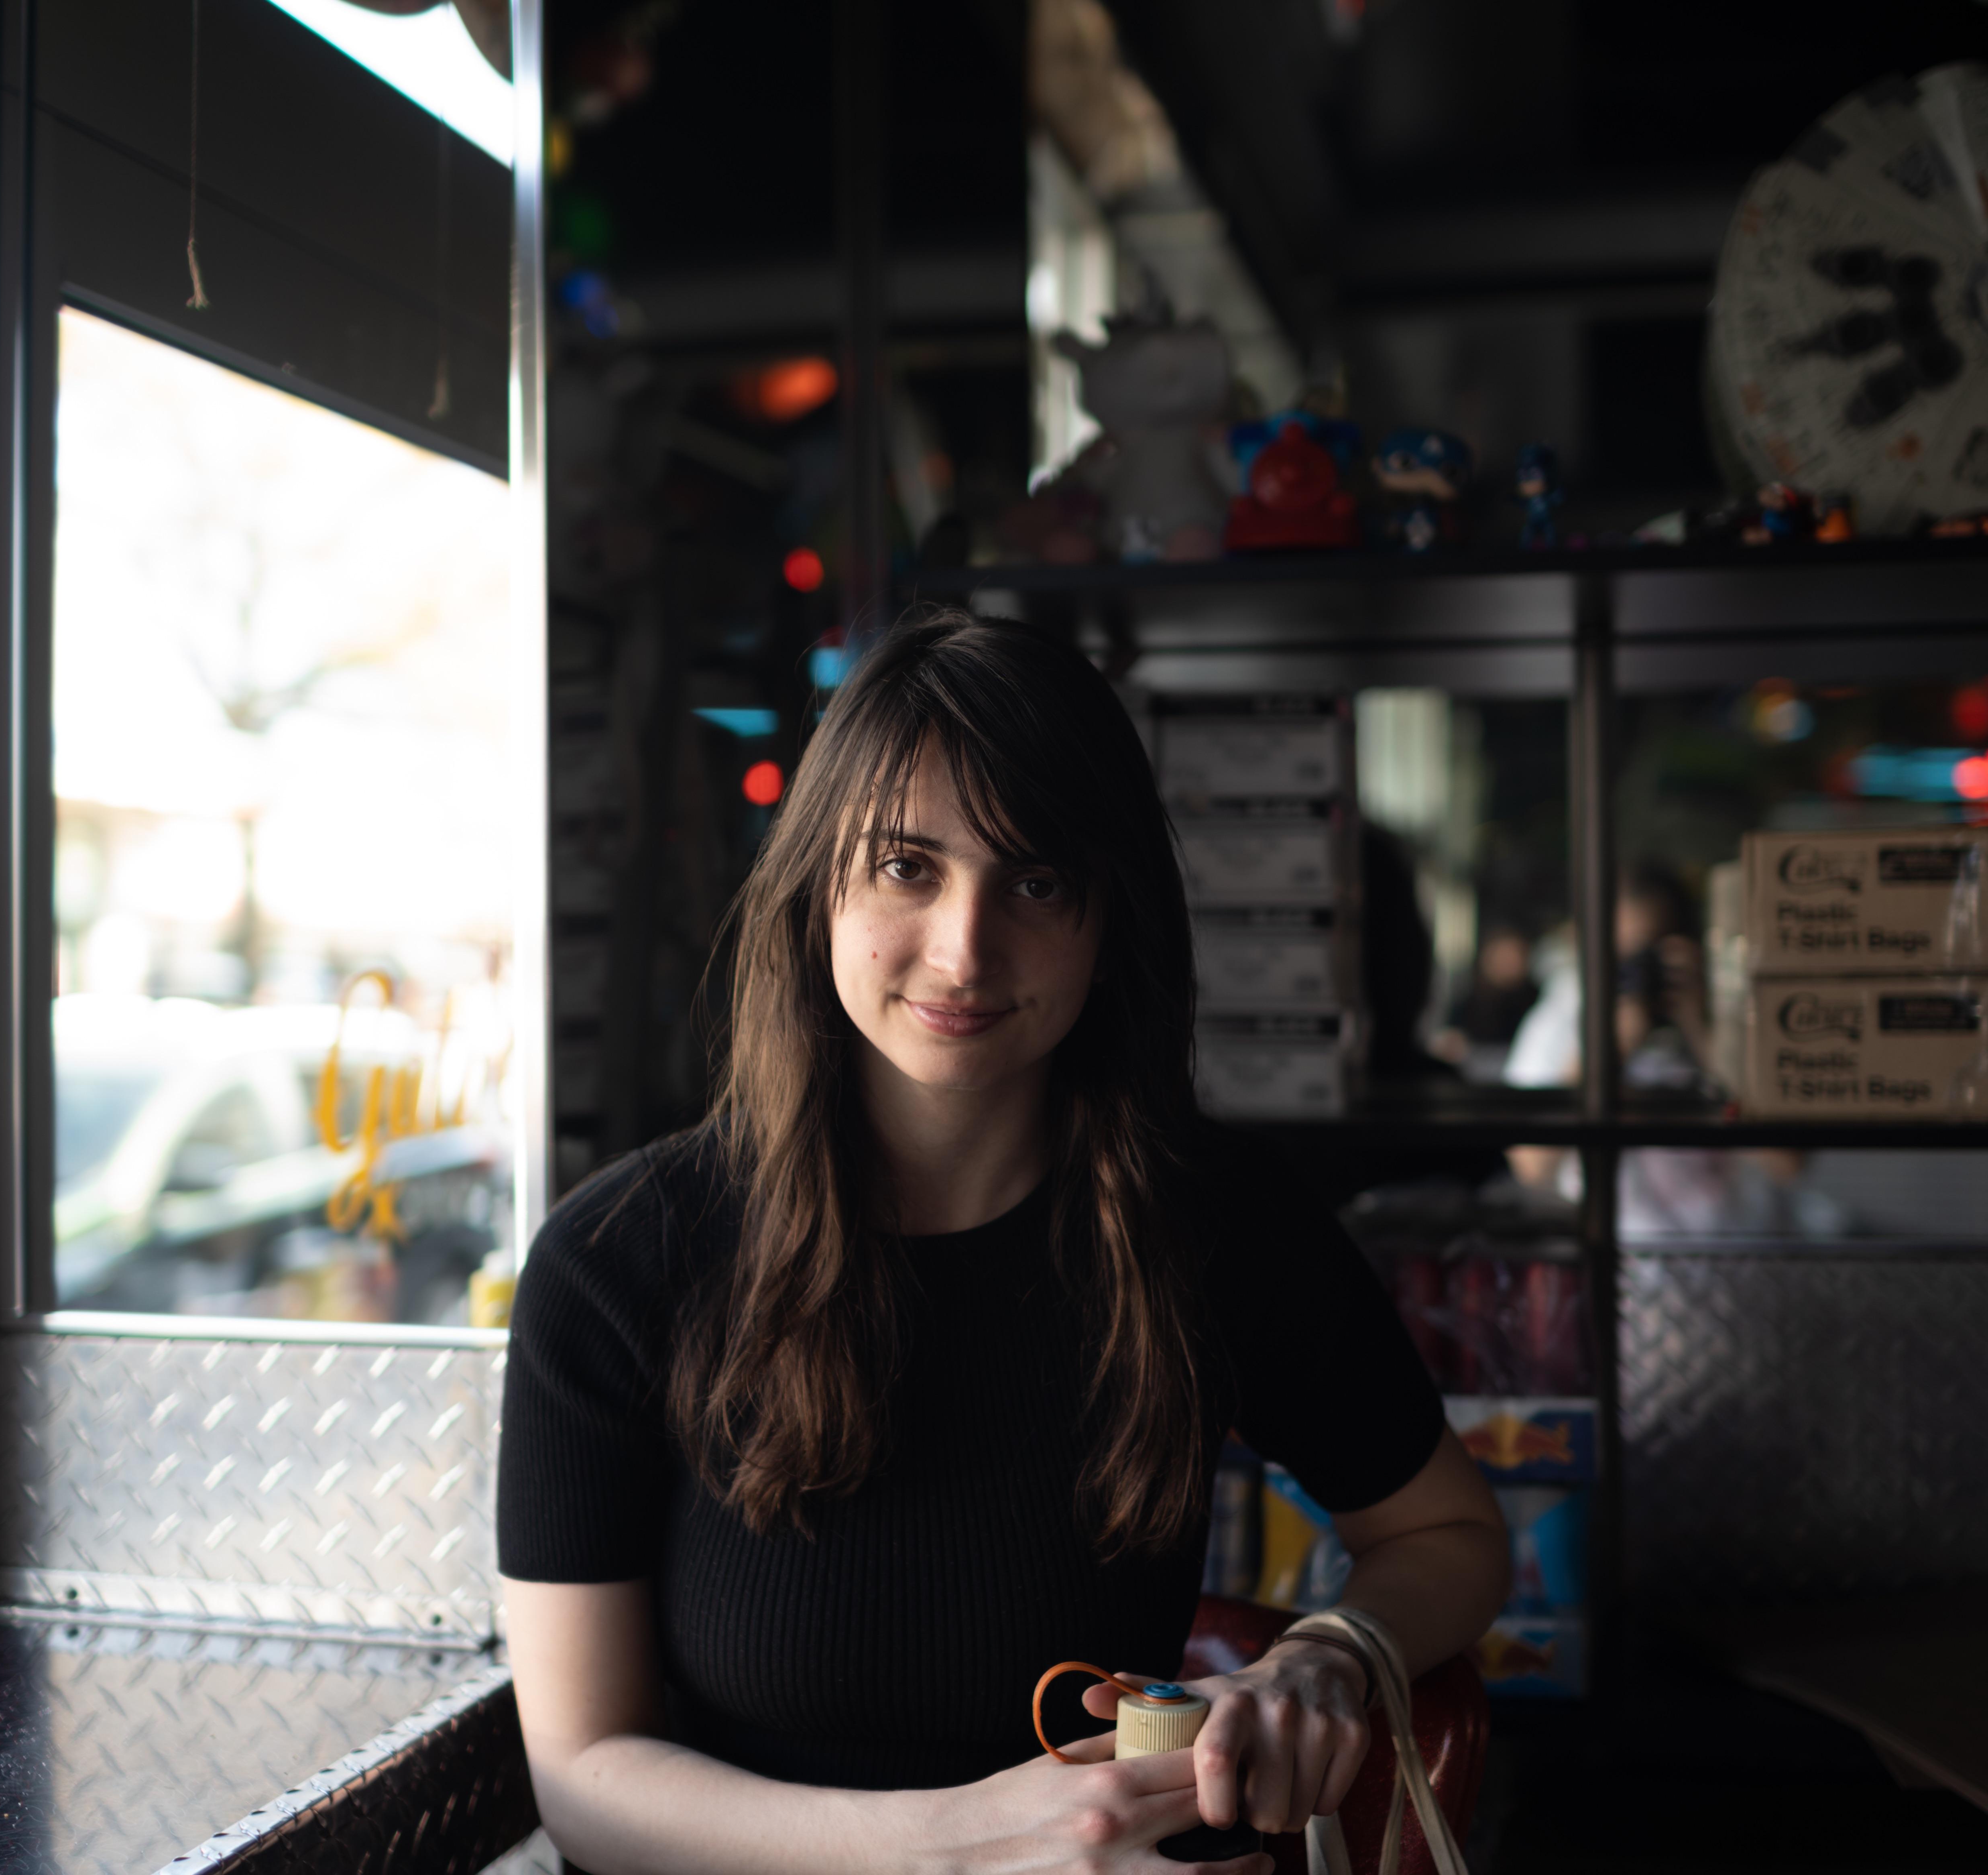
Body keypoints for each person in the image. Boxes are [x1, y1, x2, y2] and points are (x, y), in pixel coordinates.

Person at [497, 614, 1510, 1875]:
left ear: (1109, 923)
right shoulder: (615, 1264)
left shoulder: (1218, 1220)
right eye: (905, 867)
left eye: (1036, 883)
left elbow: (1452, 1538)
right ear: (818, 886)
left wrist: (1332, 1653)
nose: (965, 951)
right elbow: (585, 1778)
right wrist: (950, 1852)